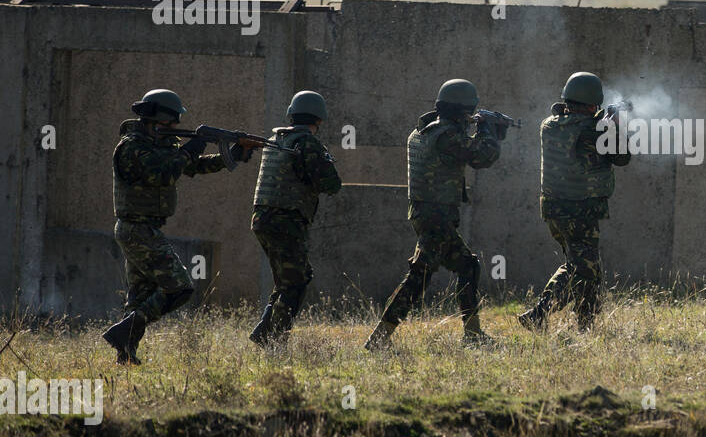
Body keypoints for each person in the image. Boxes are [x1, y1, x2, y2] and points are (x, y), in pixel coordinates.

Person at [102, 89, 252, 365]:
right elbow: (164, 172)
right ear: (157, 120)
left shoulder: (160, 146)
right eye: (172, 123)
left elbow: (192, 166)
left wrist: (233, 154)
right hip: (136, 229)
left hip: (145, 229)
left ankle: (125, 353)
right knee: (180, 287)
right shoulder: (132, 147)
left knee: (141, 296)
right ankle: (122, 334)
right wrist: (193, 145)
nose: (175, 129)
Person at [365, 79, 506, 350]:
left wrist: (487, 130)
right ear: (458, 111)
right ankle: (381, 338)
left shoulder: (423, 131)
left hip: (426, 214)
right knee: (431, 275)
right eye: (467, 113)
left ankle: (470, 334)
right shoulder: (446, 136)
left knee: (452, 269)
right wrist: (489, 131)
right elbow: (482, 157)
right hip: (436, 217)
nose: (469, 118)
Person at [518, 71, 630, 333]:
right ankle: (546, 315)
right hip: (581, 209)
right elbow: (622, 157)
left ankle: (575, 323)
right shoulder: (592, 130)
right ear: (593, 103)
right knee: (585, 269)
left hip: (553, 208)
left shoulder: (550, 124)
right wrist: (615, 124)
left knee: (579, 265)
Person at [248, 90, 342, 348]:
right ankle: (273, 340)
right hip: (285, 222)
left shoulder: (276, 140)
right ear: (319, 119)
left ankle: (265, 332)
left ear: (291, 114)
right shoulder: (307, 143)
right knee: (296, 282)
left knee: (289, 279)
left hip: (262, 220)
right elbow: (331, 183)